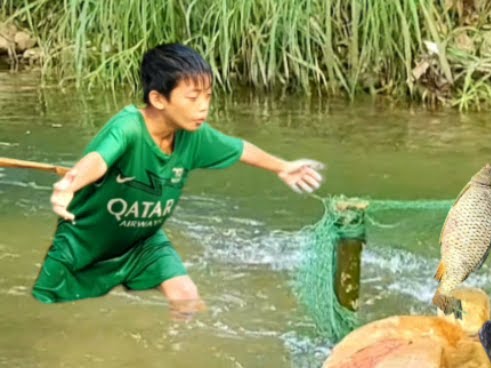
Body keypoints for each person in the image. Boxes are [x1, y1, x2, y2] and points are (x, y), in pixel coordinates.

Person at [32, 42, 324, 315]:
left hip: (143, 241)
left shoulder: (193, 136)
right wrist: (69, 185)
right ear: (158, 99)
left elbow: (238, 148)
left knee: (187, 298)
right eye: (193, 97)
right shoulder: (129, 128)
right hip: (84, 242)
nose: (203, 107)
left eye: (208, 96)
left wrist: (282, 167)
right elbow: (98, 160)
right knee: (45, 314)